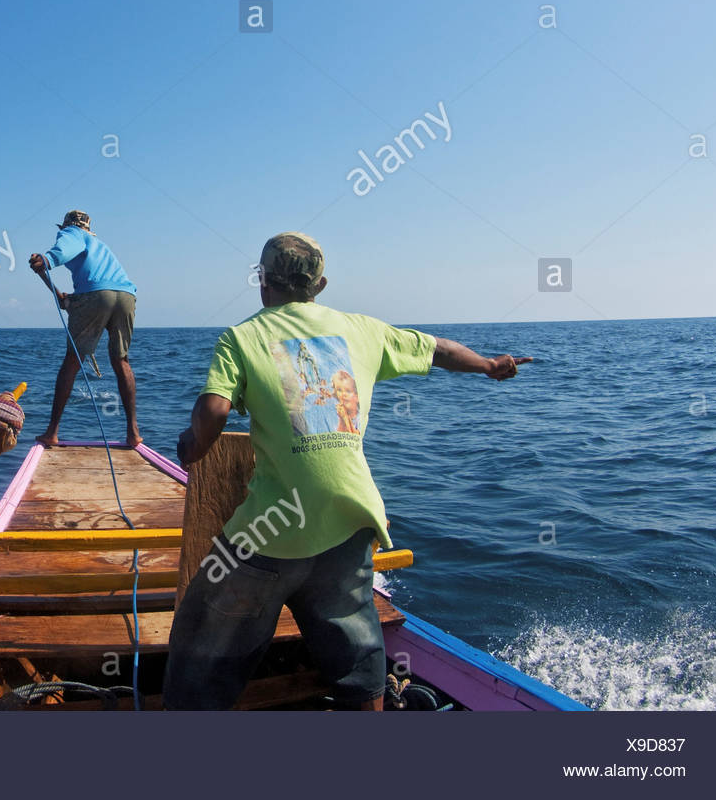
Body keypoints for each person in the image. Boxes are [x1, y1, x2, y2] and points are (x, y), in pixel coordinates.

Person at [165, 231, 531, 710]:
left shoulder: (243, 336)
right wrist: (488, 364)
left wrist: (193, 448)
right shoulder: (363, 330)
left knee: (203, 620)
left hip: (271, 533)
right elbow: (439, 349)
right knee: (357, 652)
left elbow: (214, 410)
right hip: (349, 520)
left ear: (262, 283)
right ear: (320, 285)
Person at [28, 210, 142, 448]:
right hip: (126, 295)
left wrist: (47, 259)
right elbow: (98, 286)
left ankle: (52, 432)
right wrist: (66, 298)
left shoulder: (72, 233)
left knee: (72, 361)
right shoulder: (99, 244)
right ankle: (133, 433)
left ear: (66, 227)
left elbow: (65, 248)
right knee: (121, 361)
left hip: (97, 295)